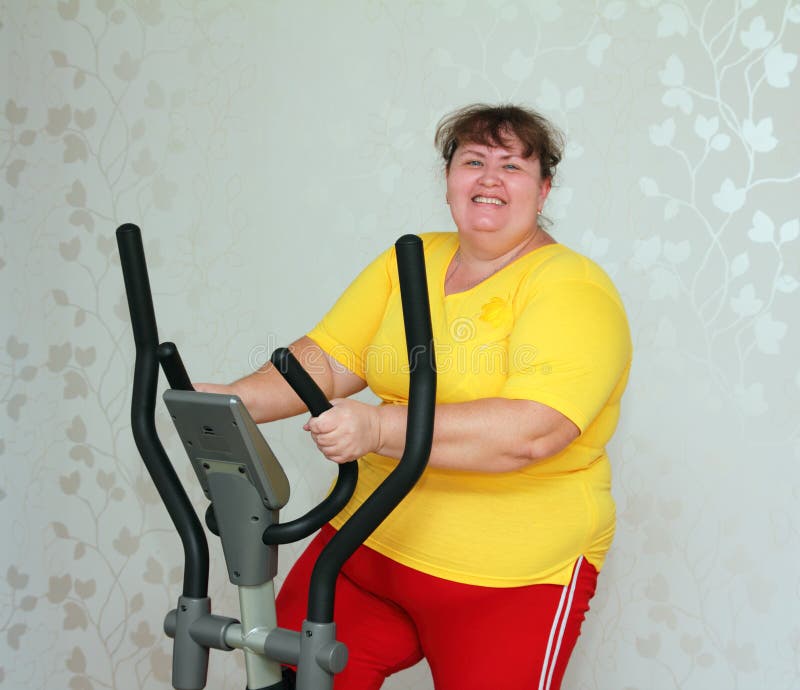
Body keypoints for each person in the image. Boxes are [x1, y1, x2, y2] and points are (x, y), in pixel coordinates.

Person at [198, 103, 632, 690]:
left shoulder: (573, 290)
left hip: (507, 577)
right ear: (449, 178)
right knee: (285, 677)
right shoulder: (410, 260)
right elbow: (328, 358)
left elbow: (534, 430)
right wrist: (230, 401)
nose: (488, 179)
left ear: (544, 187)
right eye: (472, 161)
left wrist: (379, 429)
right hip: (365, 544)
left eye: (512, 166)